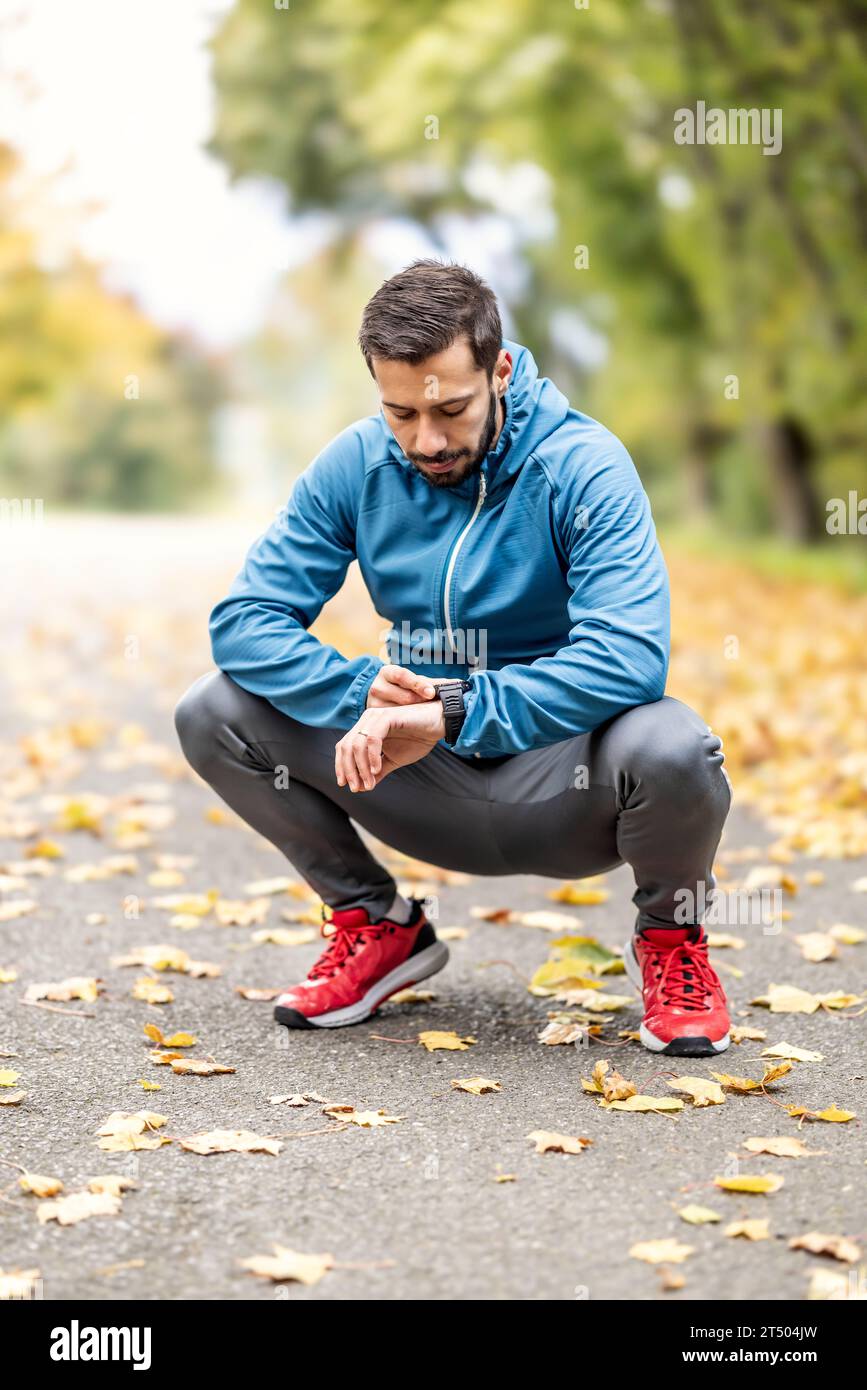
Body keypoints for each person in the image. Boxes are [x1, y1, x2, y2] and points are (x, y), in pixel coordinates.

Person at [174, 259, 733, 1056]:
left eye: (451, 408)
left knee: (673, 744)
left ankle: (671, 946)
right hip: (416, 786)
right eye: (399, 412)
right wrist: (363, 690)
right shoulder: (357, 464)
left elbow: (627, 656)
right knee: (211, 710)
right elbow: (245, 621)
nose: (426, 441)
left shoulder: (582, 465)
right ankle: (377, 927)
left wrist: (454, 711)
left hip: (560, 784)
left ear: (499, 369)